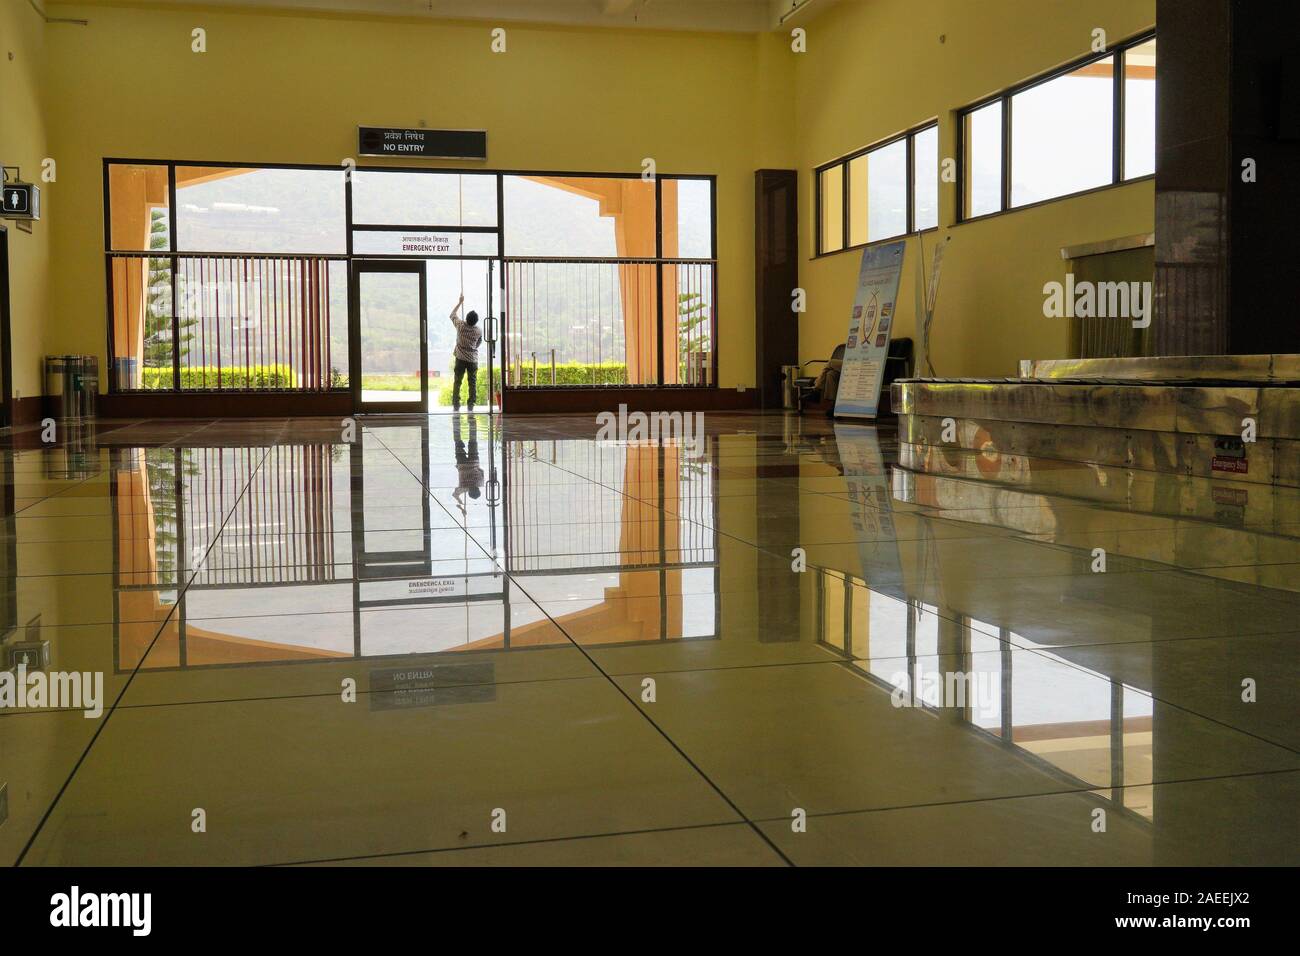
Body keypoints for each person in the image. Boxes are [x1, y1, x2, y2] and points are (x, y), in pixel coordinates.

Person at [449, 294, 482, 411]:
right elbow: (479, 342)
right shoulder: (478, 330)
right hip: (473, 360)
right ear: (476, 321)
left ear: (466, 319)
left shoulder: (460, 326)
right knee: (472, 383)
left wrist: (460, 302)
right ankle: (471, 405)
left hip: (460, 359)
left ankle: (456, 404)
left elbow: (452, 314)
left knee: (457, 382)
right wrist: (473, 348)